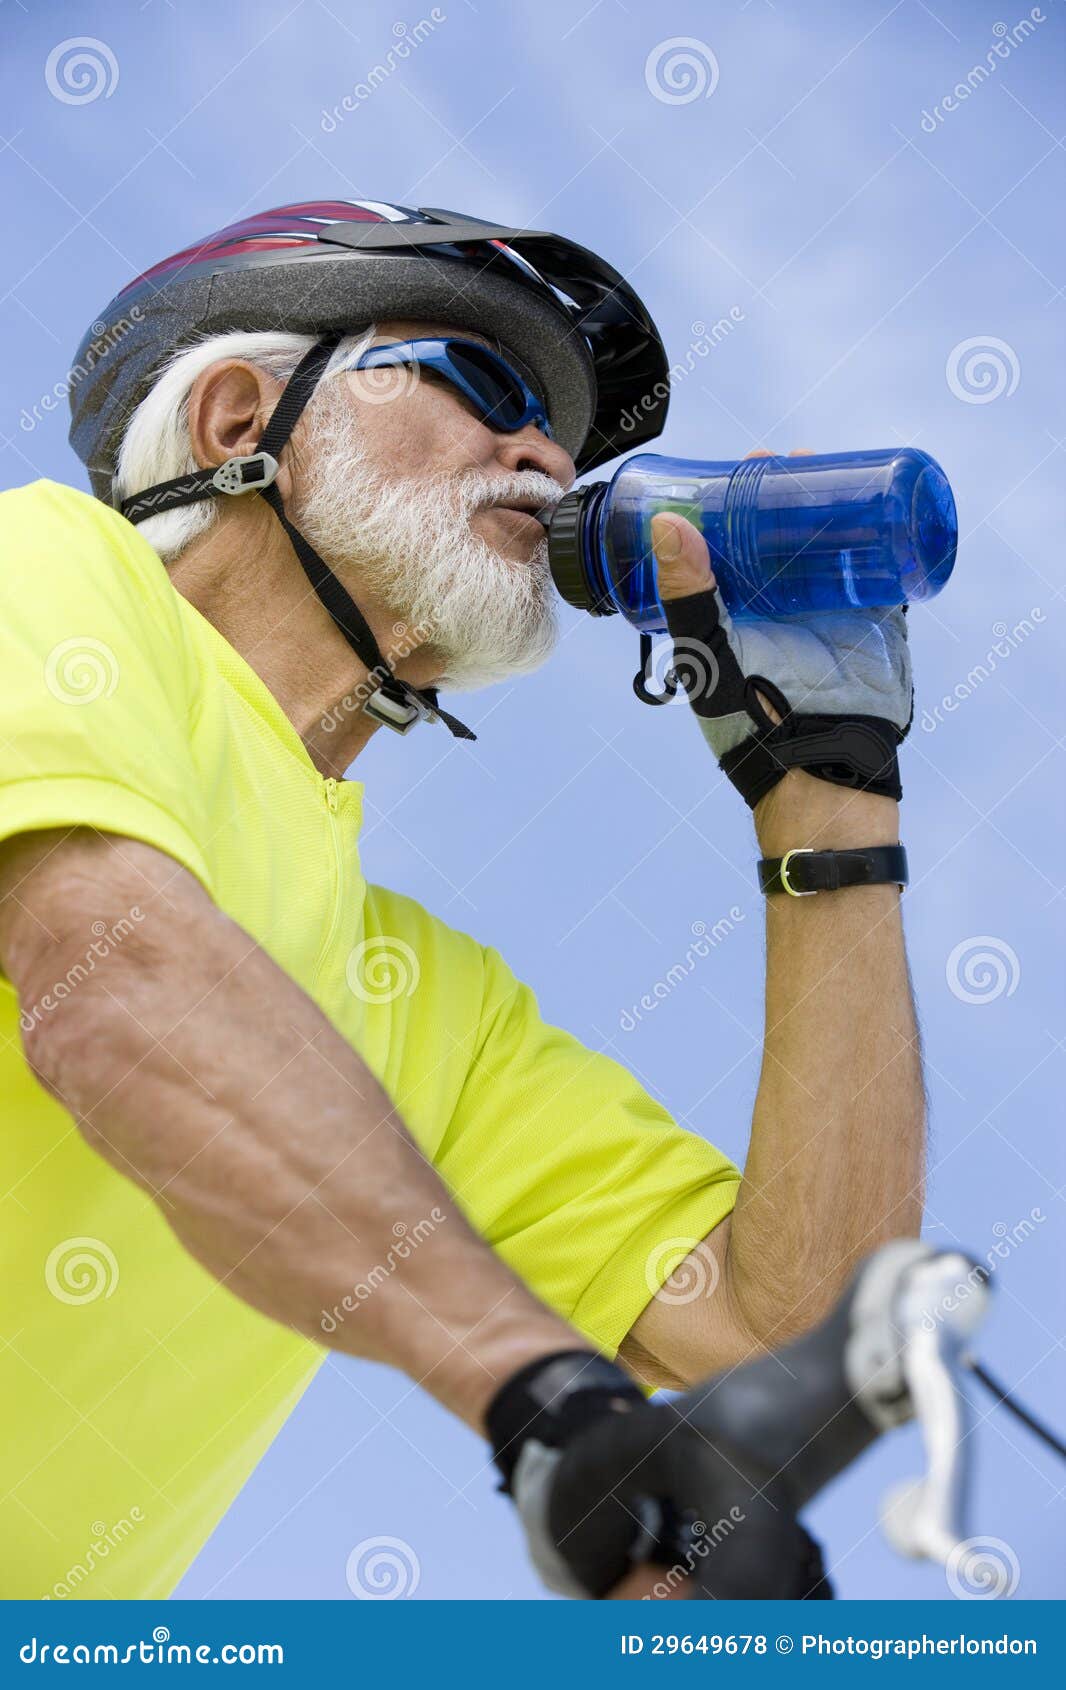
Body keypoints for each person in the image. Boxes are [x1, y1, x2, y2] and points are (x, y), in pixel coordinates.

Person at [0, 200, 924, 1601]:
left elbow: (793, 1334)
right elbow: (109, 976)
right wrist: (543, 1395)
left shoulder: (423, 999)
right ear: (240, 417)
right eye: (482, 382)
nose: (546, 458)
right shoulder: (44, 567)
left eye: (562, 439)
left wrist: (831, 806)